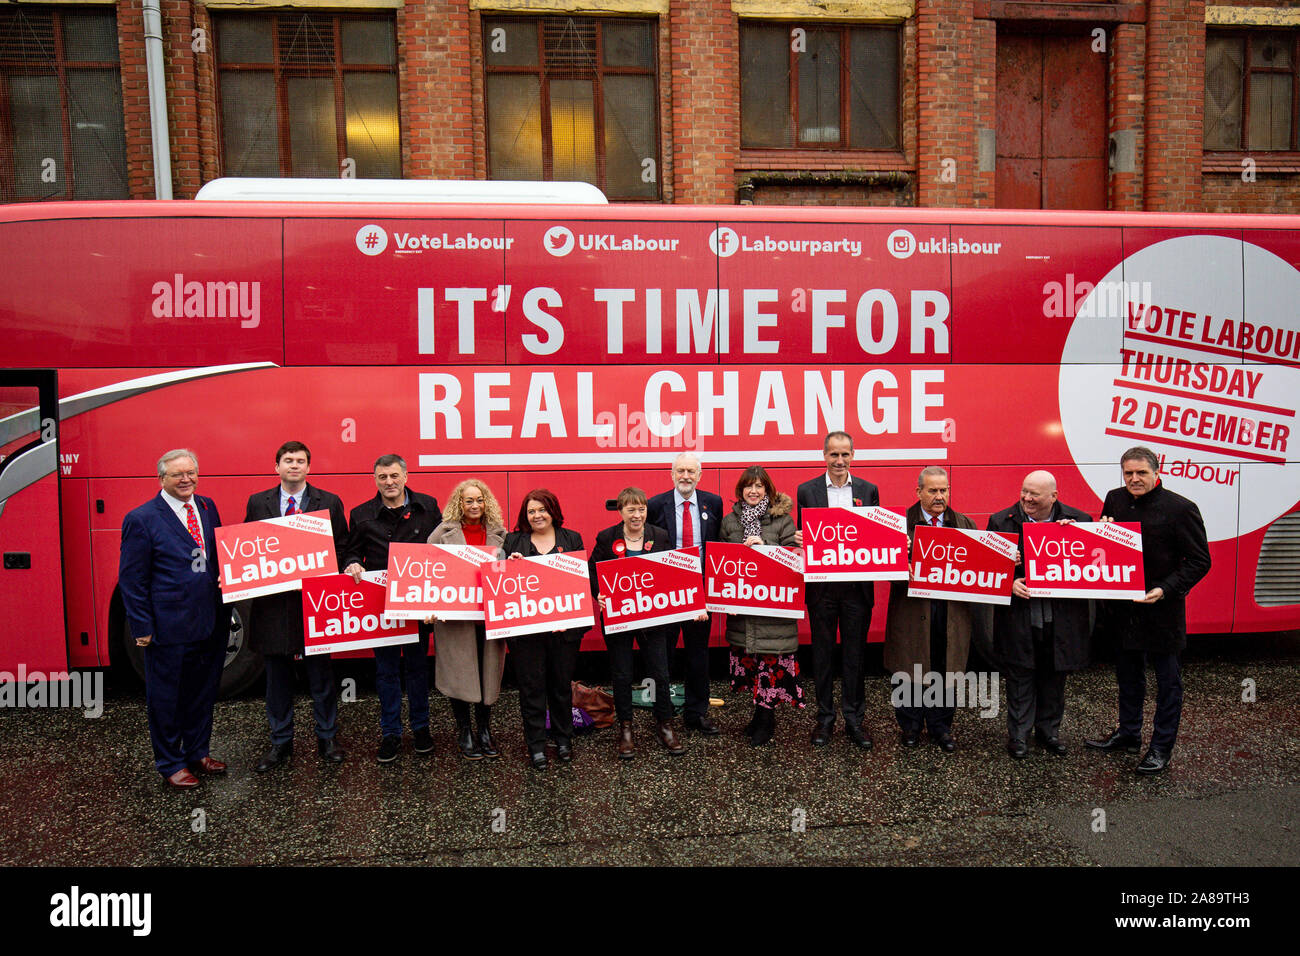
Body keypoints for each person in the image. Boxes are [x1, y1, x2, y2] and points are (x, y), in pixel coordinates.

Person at [1086, 447, 1211, 775]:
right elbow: (1106, 545)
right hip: (1124, 610)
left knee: (1168, 684)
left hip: (1162, 611)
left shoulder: (1181, 508)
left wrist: (1165, 589)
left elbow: (1200, 561)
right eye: (1128, 473)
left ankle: (1160, 748)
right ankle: (1128, 734)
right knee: (1128, 677)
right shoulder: (1114, 499)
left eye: (1141, 472)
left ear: (1157, 472)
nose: (1134, 479)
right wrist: (1098, 531)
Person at [118, 449, 229, 789]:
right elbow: (132, 579)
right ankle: (170, 763)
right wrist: (142, 626)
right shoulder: (141, 519)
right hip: (169, 626)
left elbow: (216, 554)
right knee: (167, 698)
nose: (186, 479)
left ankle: (198, 752)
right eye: (178, 474)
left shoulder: (207, 506)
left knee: (202, 692)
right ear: (161, 479)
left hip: (210, 620)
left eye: (191, 472)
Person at [245, 441, 350, 773]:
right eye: (288, 460)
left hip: (315, 603)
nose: (294, 465)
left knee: (321, 676)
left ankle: (327, 738)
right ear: (276, 466)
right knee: (276, 679)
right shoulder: (257, 502)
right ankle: (280, 742)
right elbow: (248, 548)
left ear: (308, 467)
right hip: (273, 607)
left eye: (300, 461)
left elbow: (342, 546)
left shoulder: (329, 502)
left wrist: (342, 566)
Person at [341, 454, 442, 763]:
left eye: (394, 476)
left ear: (405, 476)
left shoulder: (428, 506)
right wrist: (352, 563)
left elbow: (441, 553)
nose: (389, 482)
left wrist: (439, 598)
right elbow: (351, 552)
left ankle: (421, 729)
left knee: (417, 669)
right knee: (385, 672)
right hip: (380, 606)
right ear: (375, 480)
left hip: (416, 603)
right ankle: (391, 734)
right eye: (383, 477)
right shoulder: (360, 514)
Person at [987, 470, 1093, 759]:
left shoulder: (1079, 521)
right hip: (1021, 616)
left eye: (1034, 494)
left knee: (1055, 675)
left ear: (1053, 497)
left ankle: (1049, 732)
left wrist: (1076, 538)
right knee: (1020, 675)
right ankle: (1018, 736)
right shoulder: (1000, 521)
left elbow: (1093, 566)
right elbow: (986, 568)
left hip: (1061, 619)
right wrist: (1009, 582)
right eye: (1024, 491)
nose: (1027, 498)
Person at [885, 466, 977, 752]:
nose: (940, 496)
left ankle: (941, 727)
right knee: (909, 666)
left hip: (951, 612)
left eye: (944, 490)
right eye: (933, 490)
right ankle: (910, 726)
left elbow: (979, 567)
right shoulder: (899, 524)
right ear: (919, 492)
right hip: (912, 611)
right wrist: (899, 560)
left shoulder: (964, 524)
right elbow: (880, 564)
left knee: (945, 666)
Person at [796, 431, 879, 749]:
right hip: (822, 590)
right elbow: (803, 535)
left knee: (855, 657)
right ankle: (825, 719)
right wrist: (799, 537)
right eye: (834, 454)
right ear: (824, 455)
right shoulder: (807, 490)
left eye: (845, 454)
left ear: (853, 455)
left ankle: (855, 721)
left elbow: (877, 536)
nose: (840, 460)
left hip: (858, 590)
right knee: (822, 656)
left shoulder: (868, 490)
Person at [590, 487, 685, 759]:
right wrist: (599, 594)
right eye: (630, 509)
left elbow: (672, 571)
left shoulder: (660, 535)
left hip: (652, 619)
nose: (637, 515)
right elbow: (593, 572)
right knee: (622, 674)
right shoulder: (607, 538)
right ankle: (626, 728)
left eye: (641, 509)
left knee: (660, 673)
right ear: (620, 511)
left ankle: (664, 725)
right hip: (618, 618)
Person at [503, 489, 587, 770]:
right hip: (526, 634)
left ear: (553, 511)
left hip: (563, 632)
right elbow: (501, 583)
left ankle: (564, 740)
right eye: (531, 511)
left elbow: (579, 581)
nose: (537, 515)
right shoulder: (513, 541)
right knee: (531, 689)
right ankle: (536, 745)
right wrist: (508, 566)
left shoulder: (571, 539)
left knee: (561, 687)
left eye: (542, 510)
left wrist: (569, 617)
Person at [719, 466, 803, 746]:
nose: (753, 491)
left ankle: (766, 720)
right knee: (753, 666)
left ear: (768, 489)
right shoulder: (729, 522)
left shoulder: (783, 521)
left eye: (759, 486)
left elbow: (795, 561)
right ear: (740, 490)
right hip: (743, 612)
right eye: (748, 486)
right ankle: (759, 715)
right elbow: (722, 565)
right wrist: (723, 598)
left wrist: (765, 546)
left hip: (774, 612)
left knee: (770, 666)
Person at [427, 478, 507, 760]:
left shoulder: (500, 534)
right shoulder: (441, 534)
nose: (475, 505)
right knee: (460, 674)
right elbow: (428, 573)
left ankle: (484, 729)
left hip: (488, 618)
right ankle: (465, 731)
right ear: (459, 504)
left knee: (488, 674)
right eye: (469, 500)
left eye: (479, 500)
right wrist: (428, 607)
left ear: (487, 503)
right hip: (456, 620)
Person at [647, 452, 723, 735]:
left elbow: (717, 543)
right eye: (680, 471)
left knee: (698, 654)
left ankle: (696, 713)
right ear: (672, 474)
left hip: (700, 589)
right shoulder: (656, 504)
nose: (686, 476)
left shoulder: (713, 503)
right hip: (666, 590)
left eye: (691, 471)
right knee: (661, 655)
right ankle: (662, 714)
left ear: (699, 476)